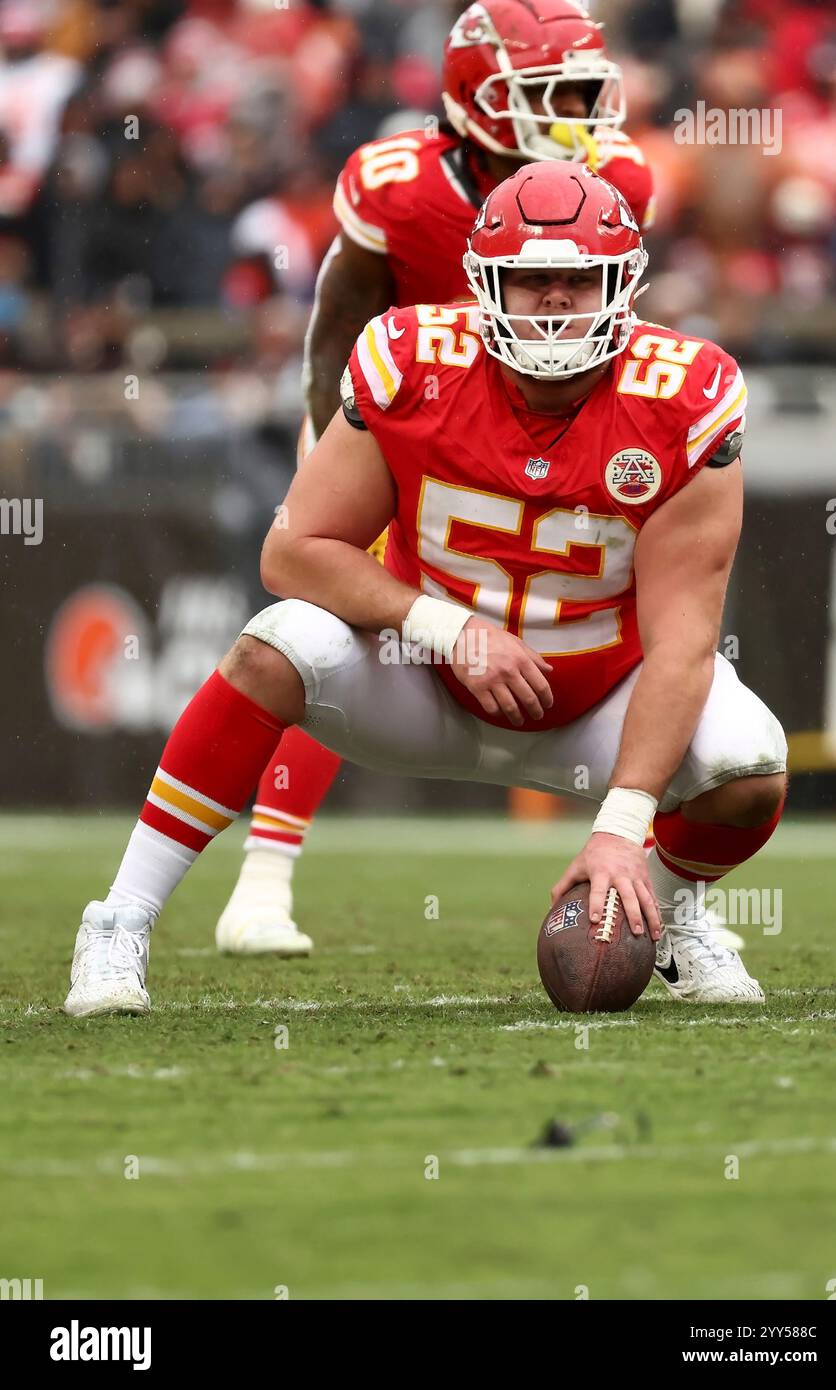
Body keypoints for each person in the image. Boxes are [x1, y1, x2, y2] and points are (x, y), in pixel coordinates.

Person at [64, 162, 786, 1018]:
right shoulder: (412, 360)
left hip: (601, 705)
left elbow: (684, 644)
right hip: (421, 683)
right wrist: (443, 627)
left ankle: (659, 908)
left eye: (575, 280)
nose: (554, 303)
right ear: (485, 284)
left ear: (619, 285)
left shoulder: (683, 398)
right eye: (530, 280)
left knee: (749, 766)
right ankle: (119, 920)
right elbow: (295, 550)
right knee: (277, 644)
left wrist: (622, 829)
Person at [215, 0, 656, 958]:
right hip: (404, 433)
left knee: (619, 623)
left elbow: (616, 337)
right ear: (473, 99)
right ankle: (262, 875)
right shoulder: (400, 186)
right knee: (332, 634)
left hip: (548, 441)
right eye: (553, 93)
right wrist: (334, 442)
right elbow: (339, 323)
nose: (579, 113)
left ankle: (671, 886)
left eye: (586, 90)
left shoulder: (616, 178)